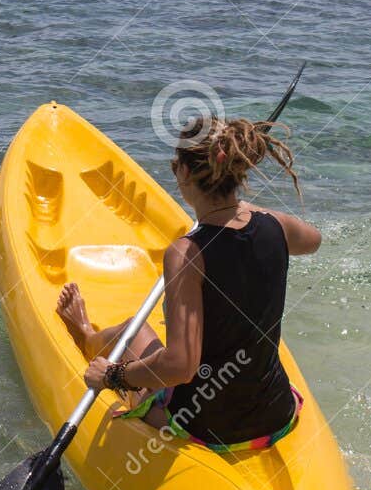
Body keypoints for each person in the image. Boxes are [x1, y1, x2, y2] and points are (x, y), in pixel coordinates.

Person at [54, 114, 321, 454]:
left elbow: (180, 367)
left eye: (174, 164)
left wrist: (113, 377)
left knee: (132, 333)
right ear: (237, 172)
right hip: (277, 413)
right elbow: (312, 241)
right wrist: (252, 212)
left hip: (203, 423)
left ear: (183, 171)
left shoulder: (185, 253)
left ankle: (87, 337)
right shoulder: (275, 225)